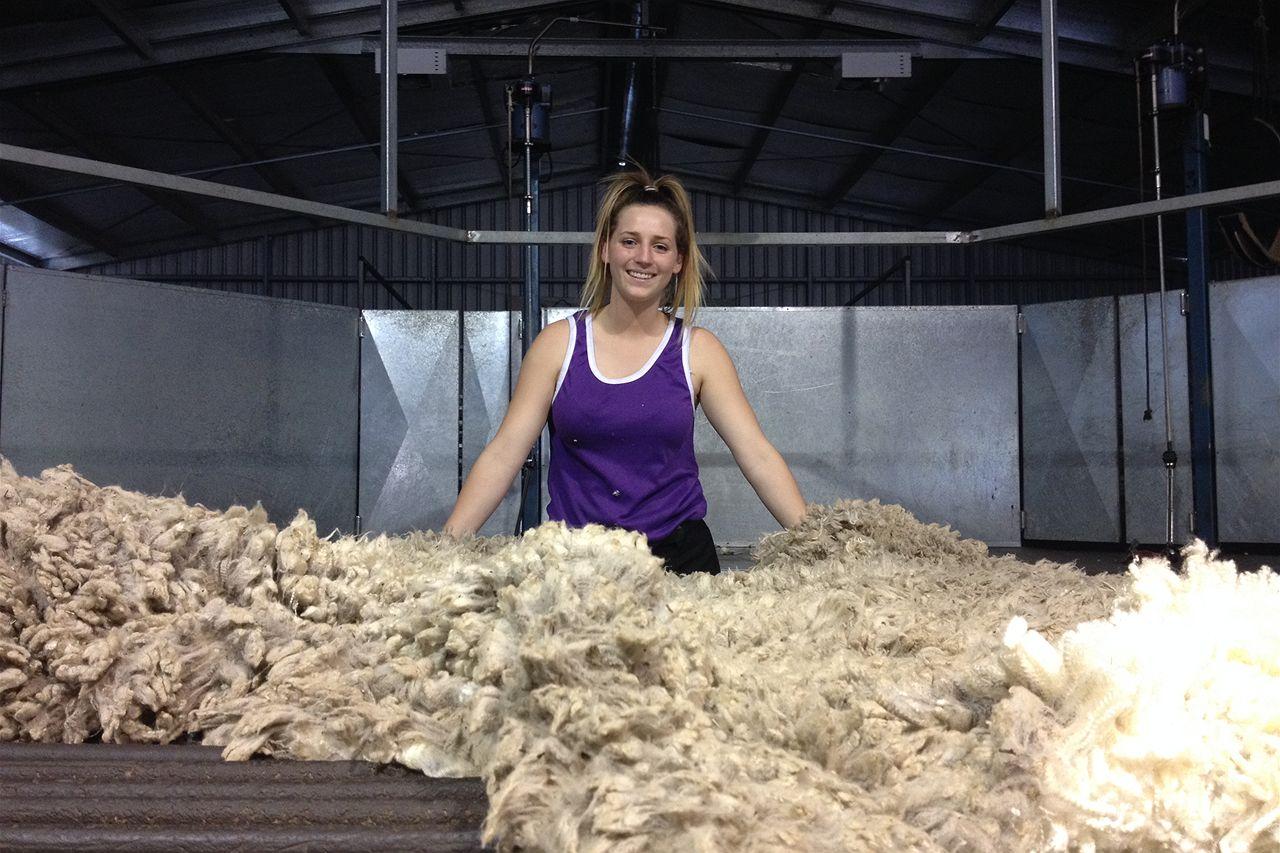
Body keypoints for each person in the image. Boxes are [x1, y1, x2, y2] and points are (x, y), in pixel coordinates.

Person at [443, 168, 805, 574]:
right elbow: (505, 453)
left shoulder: (698, 352)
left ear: (678, 262)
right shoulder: (557, 346)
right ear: (605, 249)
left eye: (660, 246)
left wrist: (815, 544)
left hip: (679, 566)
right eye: (629, 241)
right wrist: (445, 548)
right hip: (576, 567)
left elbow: (756, 454)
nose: (643, 257)